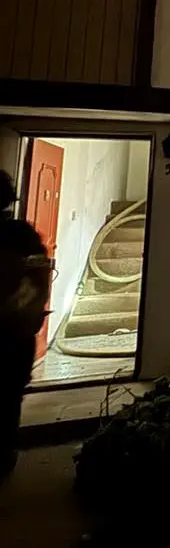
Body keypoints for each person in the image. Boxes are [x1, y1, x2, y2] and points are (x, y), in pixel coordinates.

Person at [0, 170, 50, 482]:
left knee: (6, 400)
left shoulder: (20, 238)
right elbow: (37, 285)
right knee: (7, 402)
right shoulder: (22, 236)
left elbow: (34, 285)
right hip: (14, 338)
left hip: (11, 337)